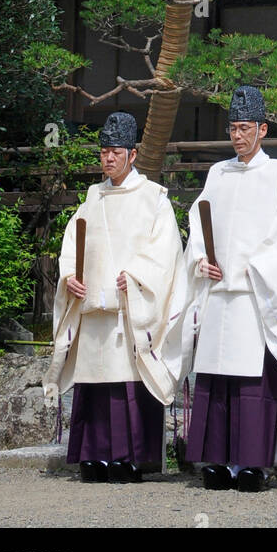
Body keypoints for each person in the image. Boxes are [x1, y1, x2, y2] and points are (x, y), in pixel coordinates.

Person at [177, 85, 277, 493]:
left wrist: (252, 269)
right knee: (216, 382)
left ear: (263, 129)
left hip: (254, 297)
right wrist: (200, 261)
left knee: (252, 386)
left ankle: (252, 463)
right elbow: (198, 227)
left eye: (245, 128)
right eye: (232, 128)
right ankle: (217, 460)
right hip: (218, 295)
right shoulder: (217, 174)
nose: (237, 136)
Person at [43, 112, 185, 483]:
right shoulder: (92, 197)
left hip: (128, 307)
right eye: (104, 152)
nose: (108, 159)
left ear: (132, 155)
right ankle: (92, 455)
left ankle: (130, 458)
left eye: (115, 152)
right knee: (94, 380)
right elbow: (72, 243)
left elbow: (165, 252)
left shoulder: (154, 199)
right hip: (93, 306)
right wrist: (70, 277)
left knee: (126, 381)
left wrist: (137, 278)